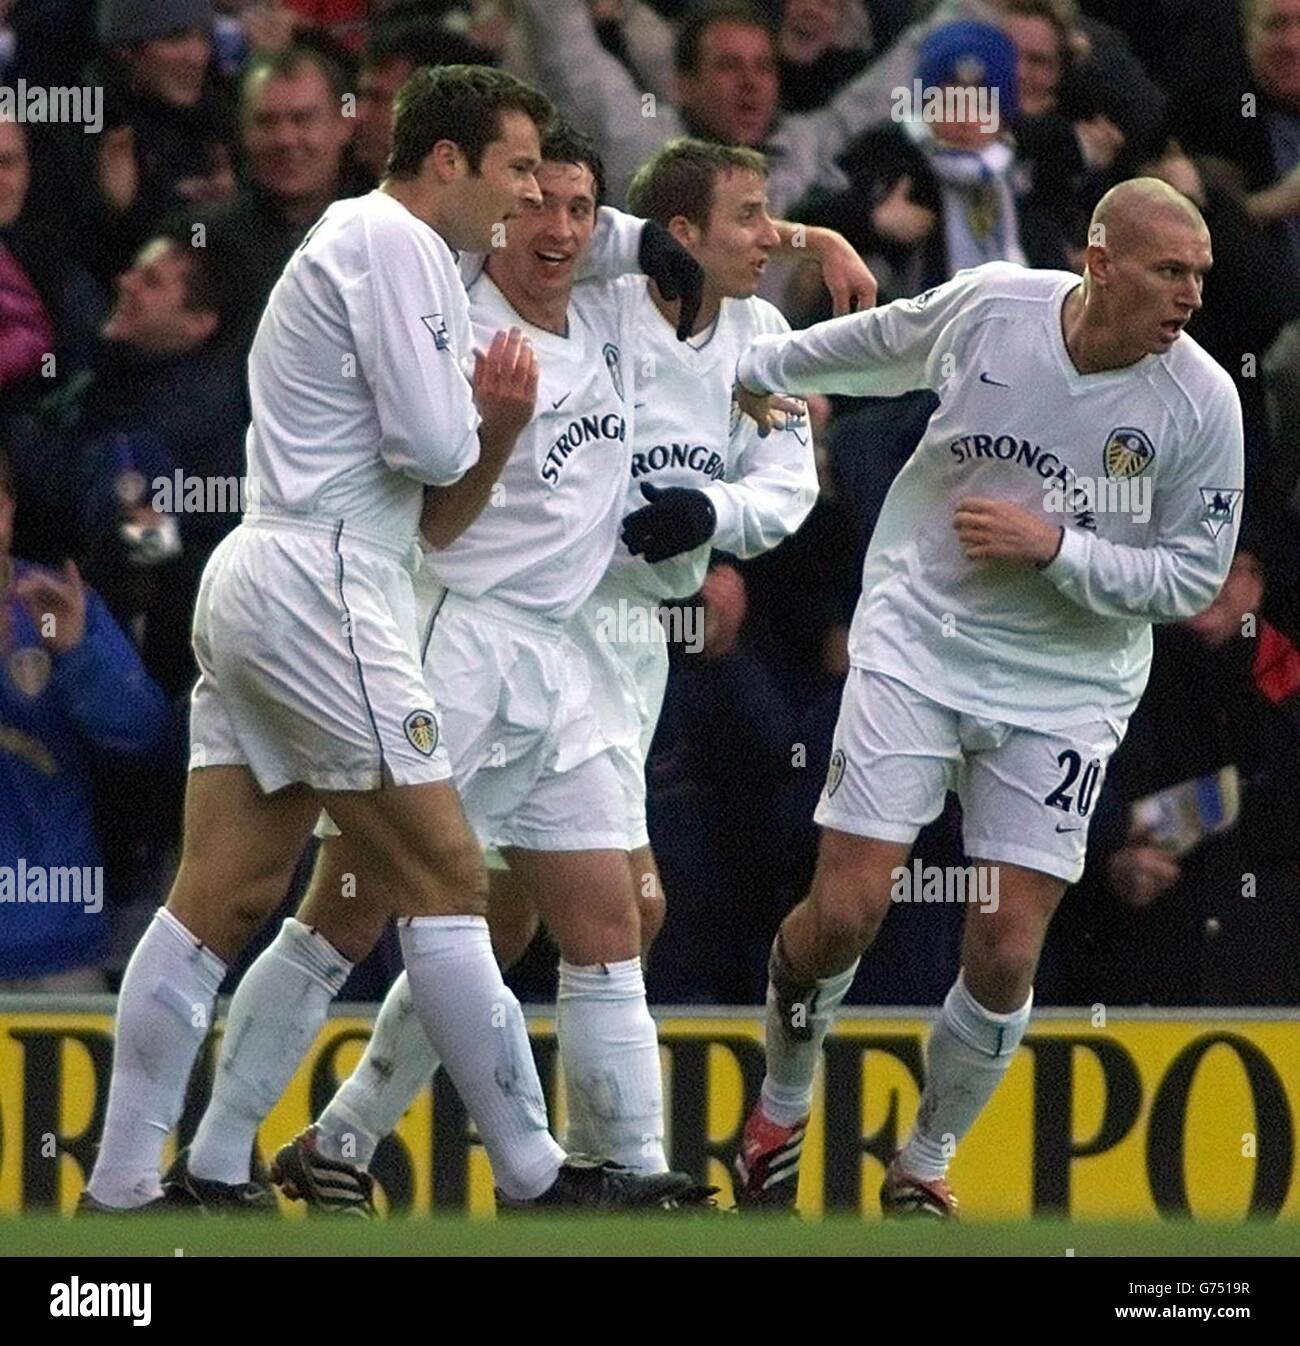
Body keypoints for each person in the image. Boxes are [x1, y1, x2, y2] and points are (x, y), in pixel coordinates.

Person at [79, 63, 701, 1216]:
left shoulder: (388, 241)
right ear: (451, 162)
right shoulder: (397, 244)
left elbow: (439, 493)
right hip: (327, 585)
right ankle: (535, 1172)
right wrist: (493, 418)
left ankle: (150, 1182)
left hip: (272, 571)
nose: (528, 200)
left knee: (223, 891)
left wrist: (505, 409)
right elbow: (431, 442)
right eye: (515, 171)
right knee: (449, 874)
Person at [235, 137, 845, 1210]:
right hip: (485, 621)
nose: (770, 240)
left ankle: (407, 1142)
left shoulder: (762, 341)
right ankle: (233, 1143)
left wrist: (718, 512)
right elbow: (552, 226)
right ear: (678, 237)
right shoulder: (589, 298)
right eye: (749, 218)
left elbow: (790, 478)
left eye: (774, 219)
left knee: (564, 910)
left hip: (618, 642)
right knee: (380, 895)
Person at [728, 177, 1244, 1215]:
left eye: (1199, 274)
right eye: (1167, 270)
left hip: (1067, 681)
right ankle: (779, 1107)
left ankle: (922, 1161)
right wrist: (761, 367)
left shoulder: (1201, 403)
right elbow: (883, 342)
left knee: (1007, 938)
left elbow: (1193, 579)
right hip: (920, 631)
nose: (1188, 295)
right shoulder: (996, 306)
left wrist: (1054, 546)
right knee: (846, 908)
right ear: (1099, 263)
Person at [0, 448, 169, 990]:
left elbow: (145, 738)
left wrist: (77, 654)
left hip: (54, 941)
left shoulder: (56, 604)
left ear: (9, 509)